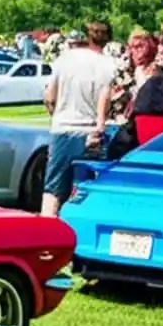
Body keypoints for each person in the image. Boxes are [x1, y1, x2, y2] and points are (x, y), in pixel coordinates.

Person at [41, 21, 117, 217]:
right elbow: (105, 99)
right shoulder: (108, 64)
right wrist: (100, 123)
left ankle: (47, 231)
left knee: (53, 187)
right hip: (91, 131)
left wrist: (56, 114)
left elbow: (49, 96)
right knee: (86, 188)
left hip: (62, 128)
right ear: (108, 39)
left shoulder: (64, 59)